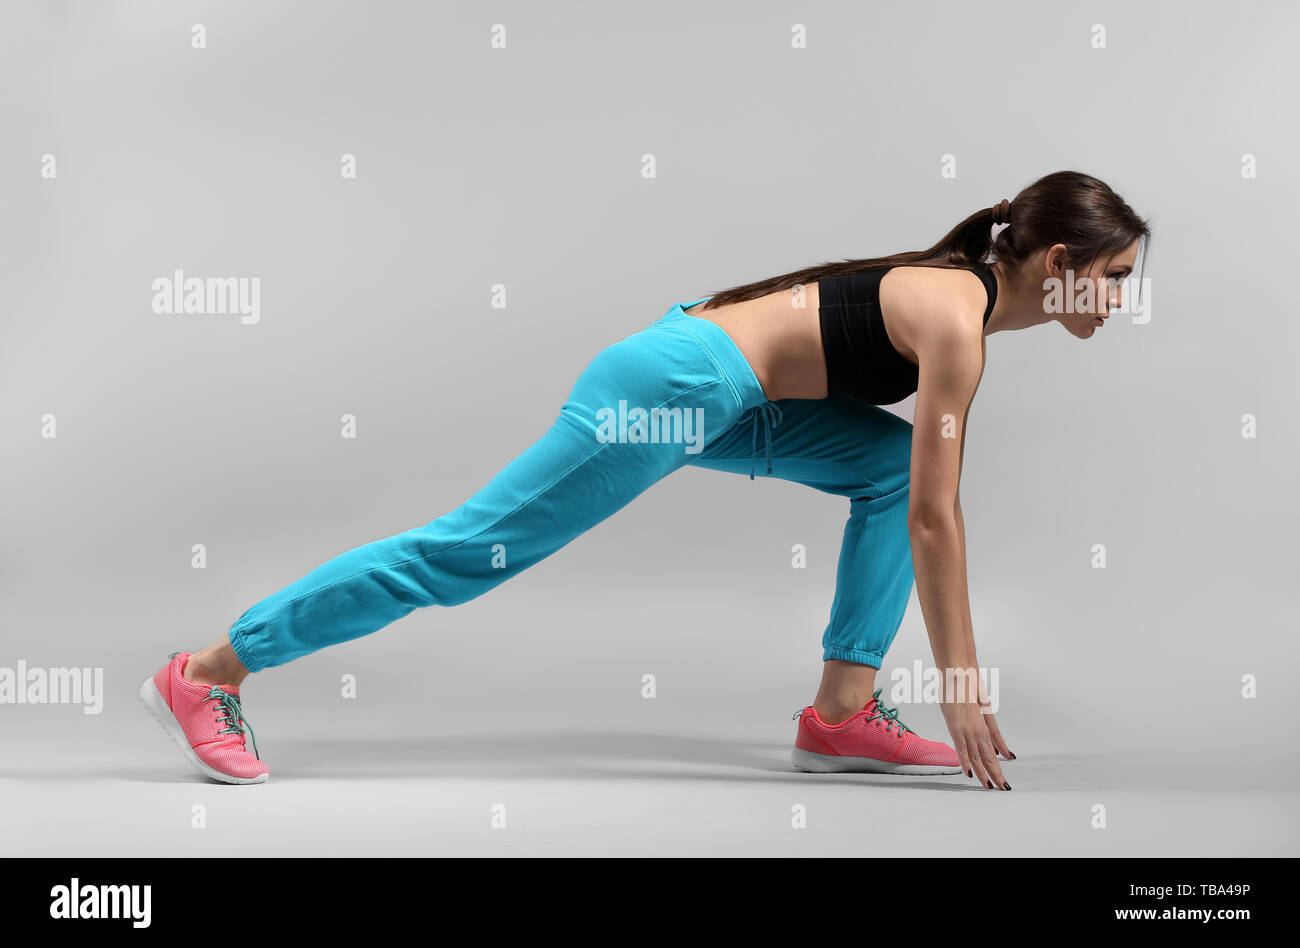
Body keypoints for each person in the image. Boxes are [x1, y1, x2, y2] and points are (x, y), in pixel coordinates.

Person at [139, 170, 1150, 790]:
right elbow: (938, 522)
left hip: (728, 389)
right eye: (1112, 277)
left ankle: (839, 715)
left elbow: (917, 493)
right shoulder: (955, 323)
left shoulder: (962, 314)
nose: (1121, 300)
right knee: (464, 554)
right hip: (677, 382)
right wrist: (965, 687)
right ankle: (210, 673)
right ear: (1058, 257)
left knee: (882, 465)